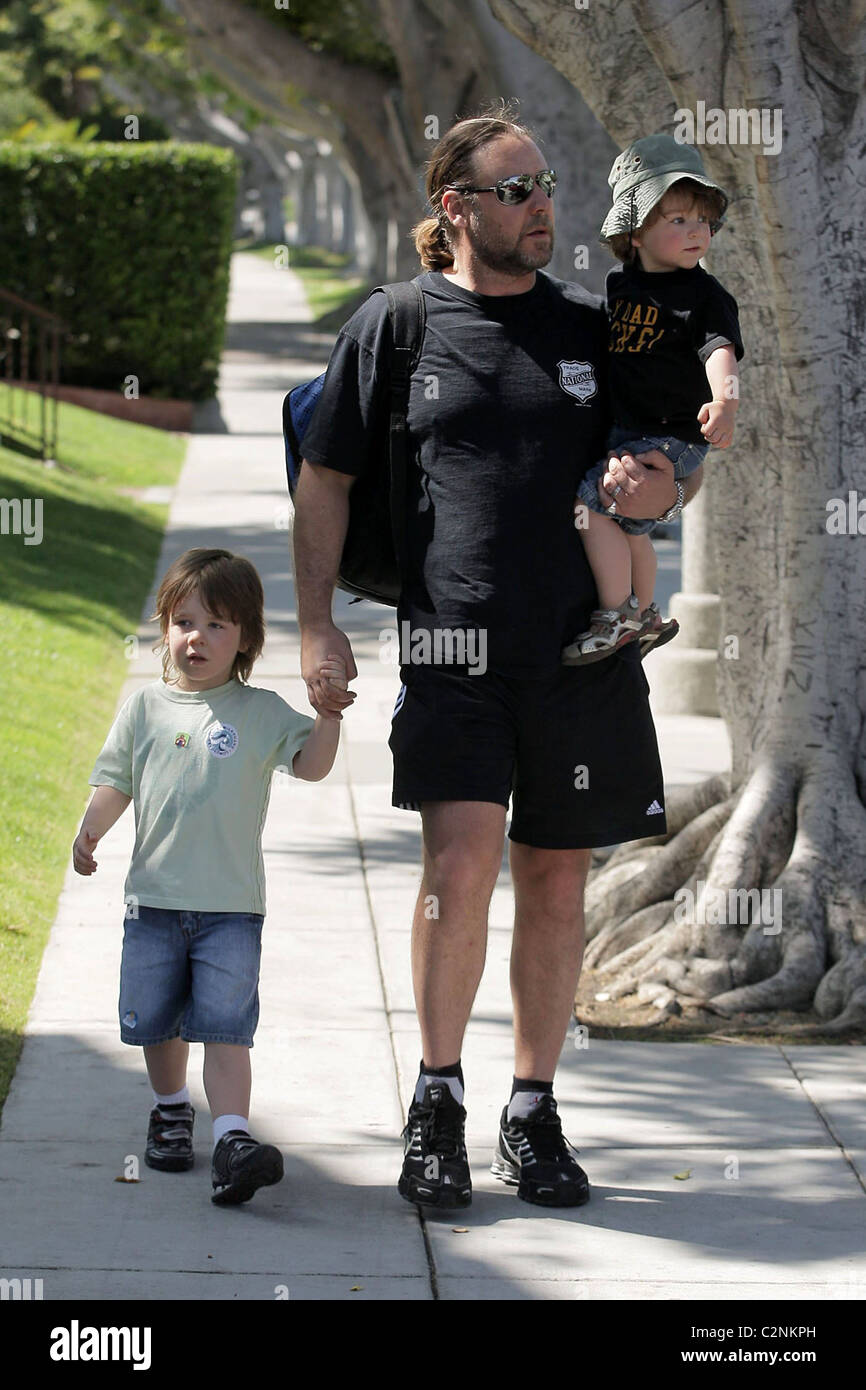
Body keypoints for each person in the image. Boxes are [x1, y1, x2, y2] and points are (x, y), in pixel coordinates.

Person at [292, 107, 701, 1210]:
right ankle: (436, 1101)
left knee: (557, 879)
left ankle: (530, 1108)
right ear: (454, 204)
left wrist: (656, 486)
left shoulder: (587, 332)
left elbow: (666, 468)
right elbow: (326, 477)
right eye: (512, 189)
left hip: (580, 654)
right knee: (459, 869)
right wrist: (316, 621)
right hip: (450, 647)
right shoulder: (395, 326)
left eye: (545, 188)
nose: (538, 207)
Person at [72, 547, 347, 1205]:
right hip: (155, 902)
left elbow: (310, 765)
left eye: (218, 625)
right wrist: (89, 831)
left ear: (246, 638)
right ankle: (171, 1109)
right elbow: (116, 781)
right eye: (185, 622)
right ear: (166, 628)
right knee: (158, 1022)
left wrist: (330, 716)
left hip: (231, 909)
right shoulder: (145, 709)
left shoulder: (259, 712)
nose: (197, 637)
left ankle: (231, 1138)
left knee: (226, 1026)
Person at [563, 134, 743, 663]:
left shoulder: (705, 294)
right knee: (628, 521)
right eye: (678, 220)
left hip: (672, 433)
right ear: (635, 231)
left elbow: (719, 351)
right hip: (633, 430)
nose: (697, 232)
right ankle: (644, 610)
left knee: (589, 506)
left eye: (702, 220)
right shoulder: (620, 285)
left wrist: (725, 401)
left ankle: (615, 611)